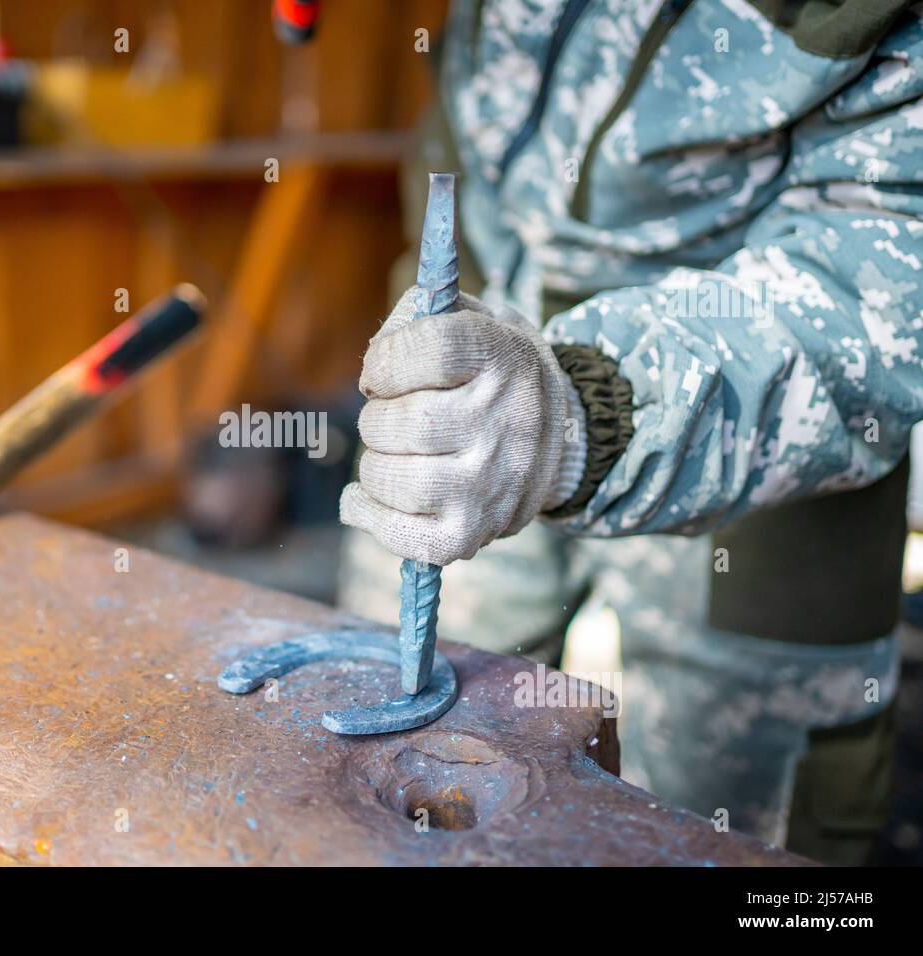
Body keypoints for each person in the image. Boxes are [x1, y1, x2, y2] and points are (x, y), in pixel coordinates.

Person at [338, 0, 923, 865]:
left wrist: (588, 411)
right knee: (388, 784)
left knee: (741, 844)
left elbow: (892, 261)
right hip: (481, 370)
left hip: (770, 439)